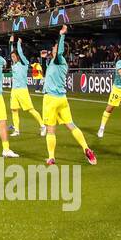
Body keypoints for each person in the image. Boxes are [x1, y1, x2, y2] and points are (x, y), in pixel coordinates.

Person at [40, 25, 96, 165]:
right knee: (71, 125)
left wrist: (62, 34)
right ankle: (86, 149)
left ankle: (51, 157)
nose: (53, 49)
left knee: (50, 129)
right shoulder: (57, 62)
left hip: (51, 99)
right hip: (62, 99)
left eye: (54, 47)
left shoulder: (59, 59)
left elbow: (58, 50)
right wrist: (43, 59)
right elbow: (47, 71)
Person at [7, 36, 44, 137]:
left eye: (14, 56)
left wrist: (18, 43)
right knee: (14, 110)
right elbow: (12, 51)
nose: (12, 58)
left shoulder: (24, 63)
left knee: (30, 109)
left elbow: (19, 52)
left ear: (18, 56)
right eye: (12, 57)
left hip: (22, 90)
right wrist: (10, 42)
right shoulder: (14, 64)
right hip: (14, 90)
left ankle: (42, 125)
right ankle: (17, 130)